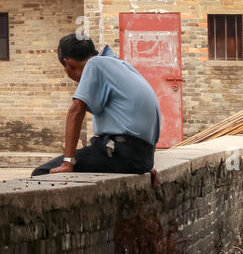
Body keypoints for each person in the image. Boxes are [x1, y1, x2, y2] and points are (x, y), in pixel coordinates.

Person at [32, 33, 161, 178]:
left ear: (67, 63)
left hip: (122, 154)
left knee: (41, 173)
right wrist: (145, 164)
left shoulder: (94, 64)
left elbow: (76, 111)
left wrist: (68, 162)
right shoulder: (120, 65)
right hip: (142, 157)